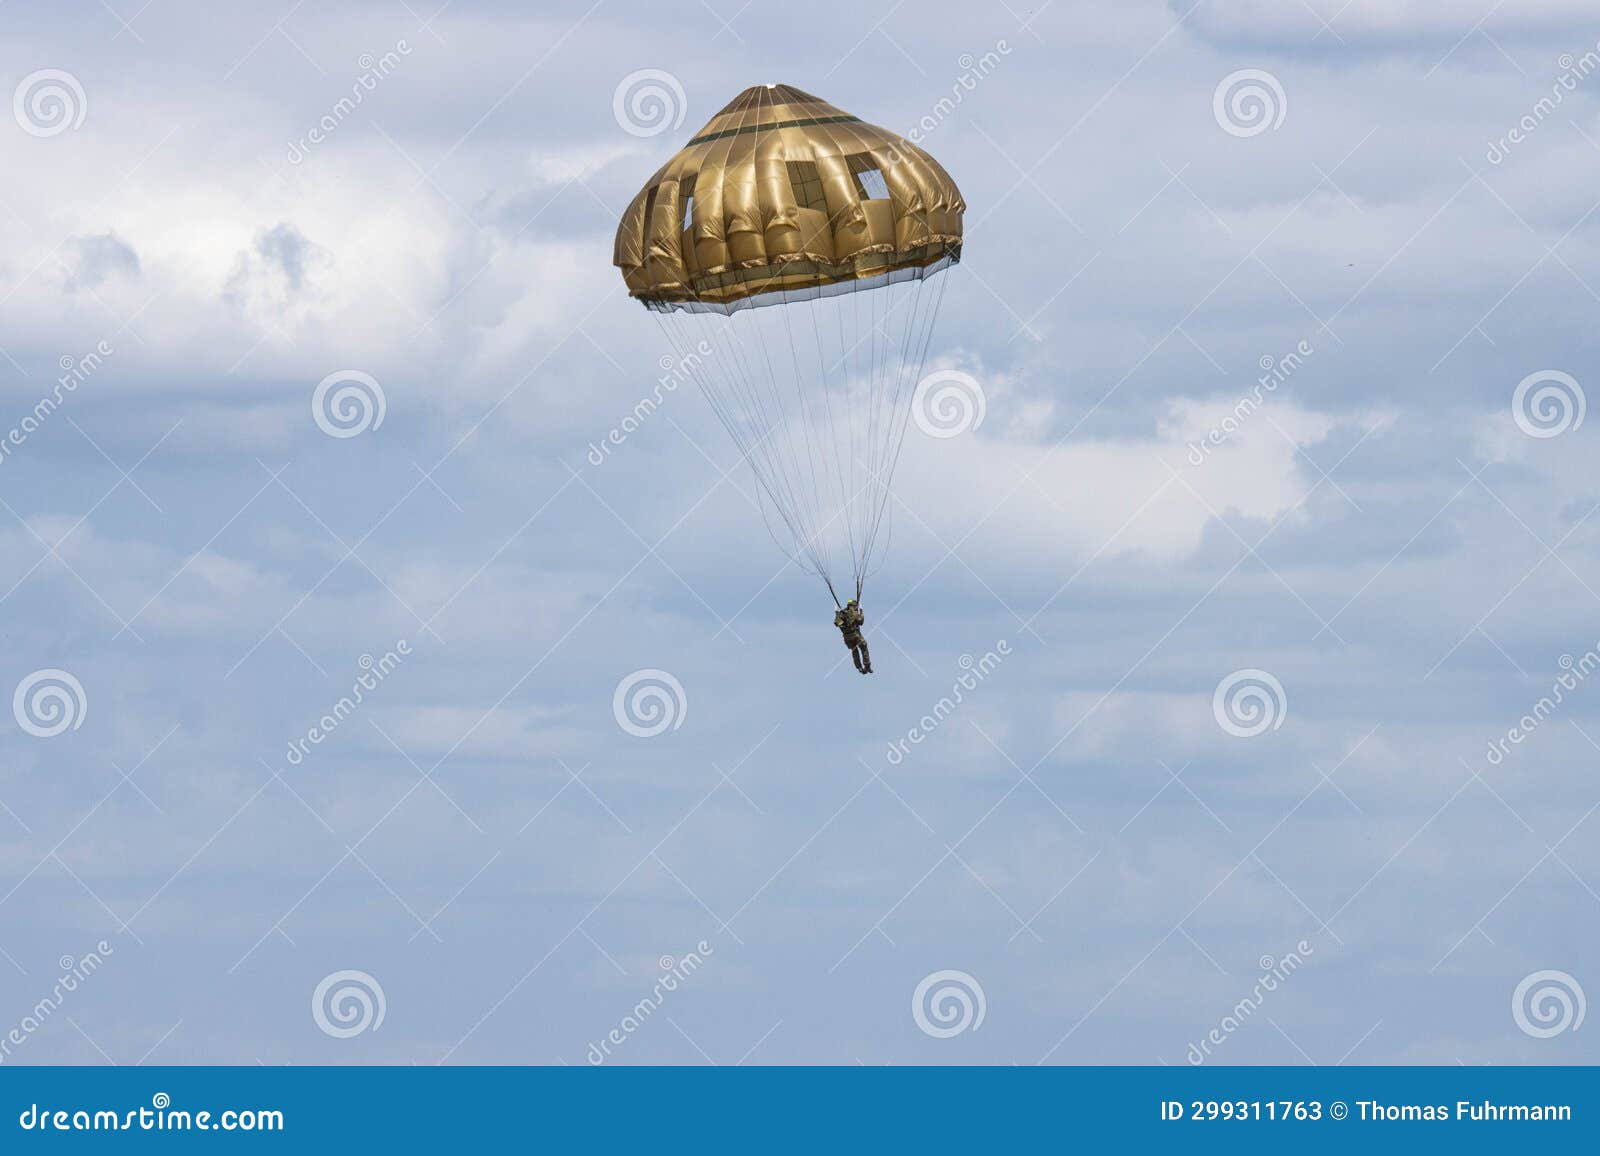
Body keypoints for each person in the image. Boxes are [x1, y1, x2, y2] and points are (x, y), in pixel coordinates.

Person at [834, 598, 872, 674]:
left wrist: (837, 613)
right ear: (854, 606)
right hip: (855, 635)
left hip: (847, 637)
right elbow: (861, 621)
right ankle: (867, 665)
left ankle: (859, 667)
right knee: (863, 646)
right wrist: (861, 611)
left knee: (854, 650)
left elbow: (837, 623)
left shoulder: (842, 613)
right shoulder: (854, 613)